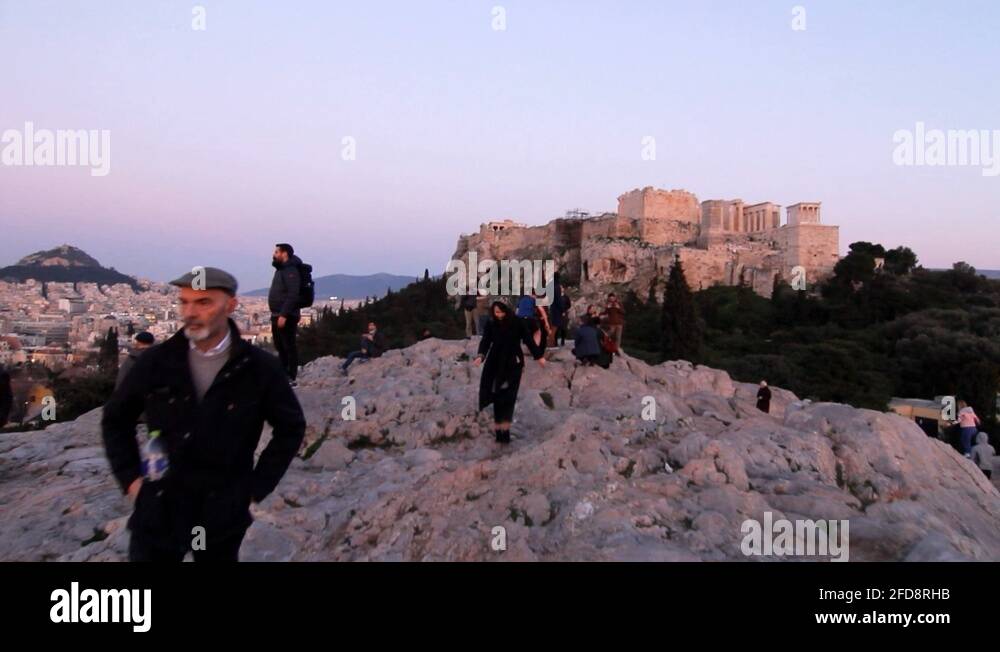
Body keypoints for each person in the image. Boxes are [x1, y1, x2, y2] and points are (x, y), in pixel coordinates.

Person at [102, 267, 306, 562]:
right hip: (159, 510)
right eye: (184, 302)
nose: (190, 312)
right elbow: (116, 420)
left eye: (203, 302)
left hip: (221, 514)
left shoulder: (259, 369)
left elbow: (291, 428)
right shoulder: (155, 362)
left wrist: (252, 490)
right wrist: (132, 482)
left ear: (231, 305)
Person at [474, 301, 546, 444]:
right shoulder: (491, 323)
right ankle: (498, 433)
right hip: (495, 362)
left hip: (513, 362)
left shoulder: (517, 322)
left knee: (508, 398)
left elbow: (528, 340)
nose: (499, 315)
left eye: (501, 312)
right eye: (496, 313)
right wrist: (480, 356)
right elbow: (486, 341)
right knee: (496, 397)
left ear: (506, 311)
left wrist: (539, 356)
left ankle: (505, 433)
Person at [268, 243, 303, 382]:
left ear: (284, 253)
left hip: (286, 315)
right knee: (280, 345)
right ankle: (283, 373)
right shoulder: (281, 270)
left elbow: (293, 294)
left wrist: (284, 314)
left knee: (288, 346)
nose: (274, 254)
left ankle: (291, 376)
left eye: (277, 252)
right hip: (277, 314)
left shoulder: (291, 270)